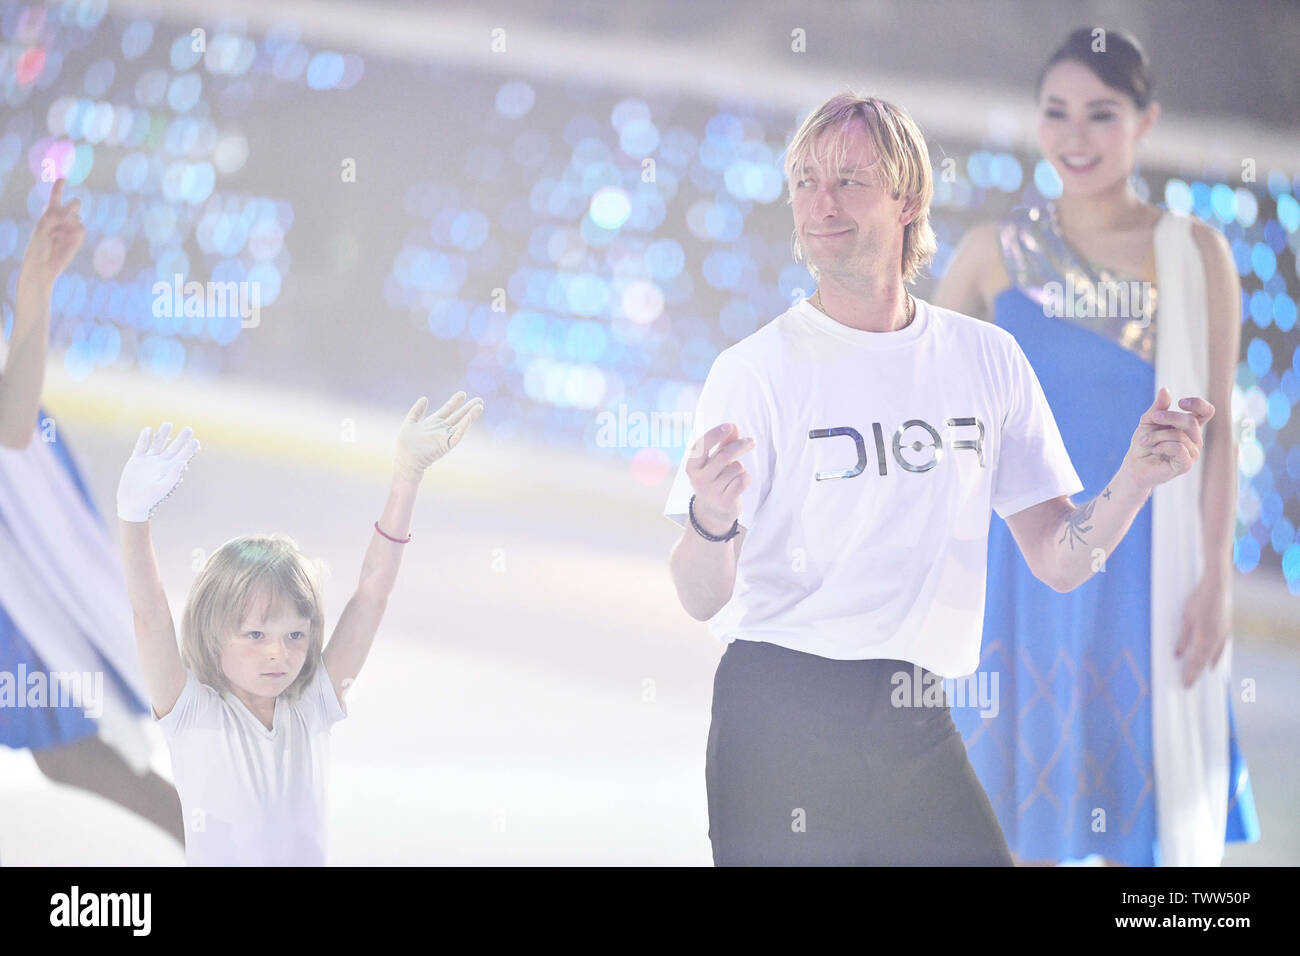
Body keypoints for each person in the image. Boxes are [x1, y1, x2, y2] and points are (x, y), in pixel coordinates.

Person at [662, 91, 1215, 866]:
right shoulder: (755, 372)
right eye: (805, 181)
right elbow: (700, 596)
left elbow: (1060, 559)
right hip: (776, 715)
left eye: (850, 180)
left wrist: (1134, 476)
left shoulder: (984, 359)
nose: (822, 203)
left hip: (917, 716)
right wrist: (711, 517)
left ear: (907, 196)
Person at [934, 27, 1259, 866]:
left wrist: (1216, 575)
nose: (1075, 137)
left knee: (1140, 820)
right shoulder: (991, 256)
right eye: (1057, 113)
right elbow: (933, 421)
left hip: (1148, 565)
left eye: (1101, 114)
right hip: (1021, 568)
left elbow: (1218, 434)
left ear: (1145, 121)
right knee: (1008, 823)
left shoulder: (1194, 254)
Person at [116, 391, 483, 865]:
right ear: (212, 633)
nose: (279, 653)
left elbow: (372, 592)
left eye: (295, 635)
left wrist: (407, 475)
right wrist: (133, 518)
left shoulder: (313, 705)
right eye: (256, 635)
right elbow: (150, 616)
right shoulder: (191, 714)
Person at [0, 178, 183, 848]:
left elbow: (12, 425)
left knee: (66, 746)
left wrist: (35, 289)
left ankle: (229, 843)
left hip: (18, 547)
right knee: (65, 749)